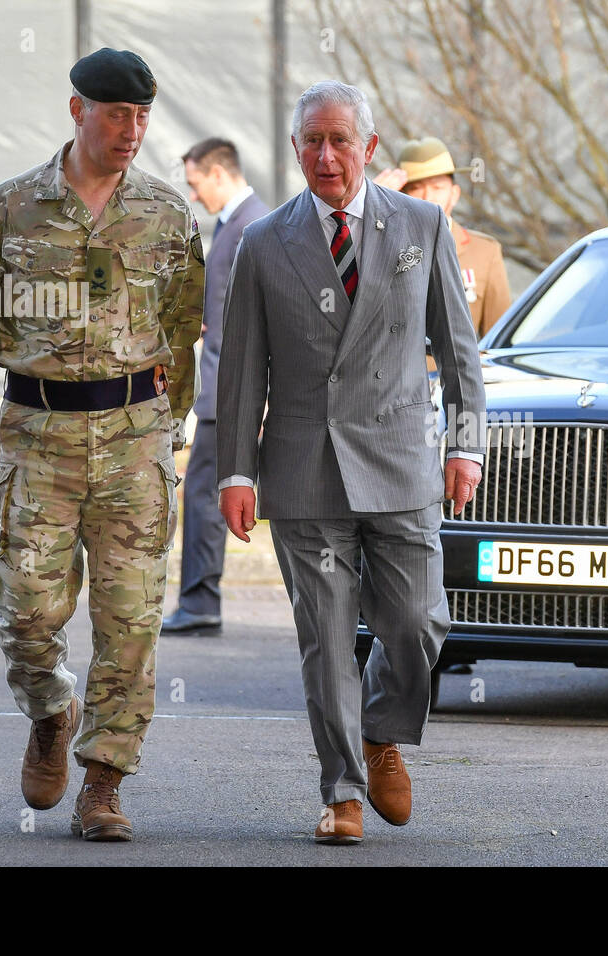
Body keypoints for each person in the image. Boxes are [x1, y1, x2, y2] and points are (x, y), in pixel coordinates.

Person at [0, 48, 204, 843]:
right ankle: (51, 711)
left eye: (143, 117)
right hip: (37, 436)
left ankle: (104, 786)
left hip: (134, 442)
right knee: (24, 613)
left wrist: (170, 431)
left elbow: (186, 332)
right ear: (77, 110)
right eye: (117, 114)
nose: (132, 131)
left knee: (131, 624)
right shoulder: (11, 208)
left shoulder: (168, 214)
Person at [215, 80, 487, 844]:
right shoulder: (265, 243)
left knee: (416, 622)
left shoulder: (423, 226)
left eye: (340, 141)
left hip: (401, 462)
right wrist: (236, 473)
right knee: (327, 637)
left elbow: (459, 353)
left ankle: (380, 729)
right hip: (304, 468)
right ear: (296, 147)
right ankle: (341, 792)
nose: (325, 155)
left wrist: (465, 444)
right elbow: (241, 369)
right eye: (311, 141)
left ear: (369, 149)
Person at [160, 138, 269, 636]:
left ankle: (202, 600)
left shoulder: (250, 226)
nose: (193, 193)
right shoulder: (235, 224)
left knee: (205, 494)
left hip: (233, 393)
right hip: (224, 390)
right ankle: (201, 598)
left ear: (219, 174)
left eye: (195, 182)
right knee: (207, 493)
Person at [374, 136, 511, 338]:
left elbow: (498, 338)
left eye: (437, 187)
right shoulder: (376, 246)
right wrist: (372, 207)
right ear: (398, 195)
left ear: (454, 194)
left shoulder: (485, 252)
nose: (428, 198)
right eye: (416, 188)